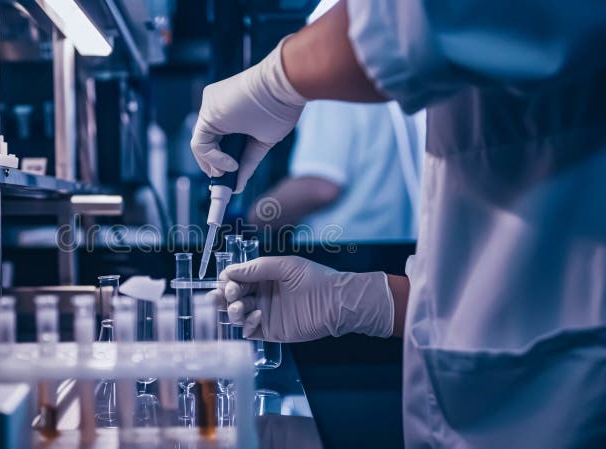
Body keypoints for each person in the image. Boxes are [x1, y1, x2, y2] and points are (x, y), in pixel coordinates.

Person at [192, 1, 606, 447]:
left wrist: (272, 80)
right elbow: (498, 257)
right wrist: (366, 299)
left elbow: (408, 23)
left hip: (557, 401)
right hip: (506, 391)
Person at [247, 99, 424, 241]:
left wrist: (254, 216)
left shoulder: (331, 96)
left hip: (337, 255)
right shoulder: (389, 90)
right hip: (392, 249)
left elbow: (320, 187)